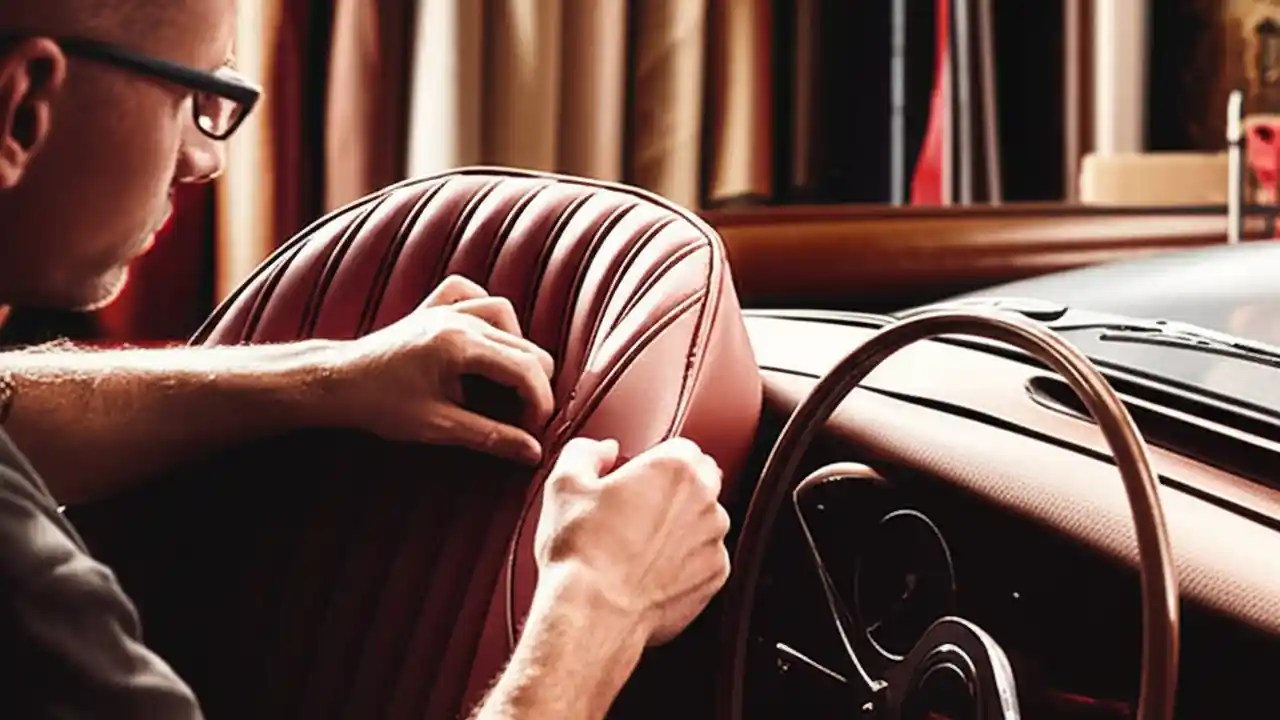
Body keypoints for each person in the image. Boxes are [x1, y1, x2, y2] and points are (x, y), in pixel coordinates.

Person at [0, 1, 733, 718]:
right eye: (196, 95)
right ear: (23, 104)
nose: (205, 158)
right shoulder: (29, 589)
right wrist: (597, 608)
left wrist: (325, 377)